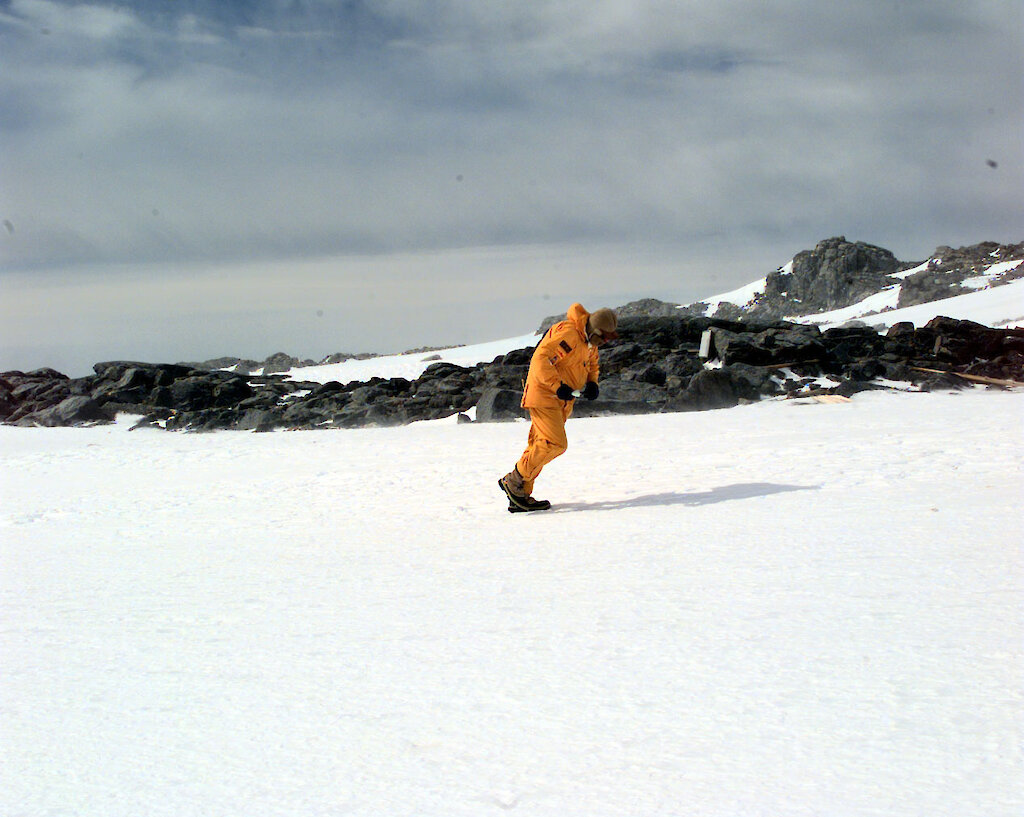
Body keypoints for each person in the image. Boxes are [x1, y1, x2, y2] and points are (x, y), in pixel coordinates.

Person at [498, 303, 618, 512]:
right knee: (555, 443)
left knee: (540, 445)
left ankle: (520, 495)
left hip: (562, 400)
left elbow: (592, 365)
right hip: (545, 395)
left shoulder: (589, 341)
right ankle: (514, 479)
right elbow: (540, 359)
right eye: (605, 337)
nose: (605, 342)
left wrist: (592, 383)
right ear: (596, 330)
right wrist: (557, 386)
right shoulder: (570, 335)